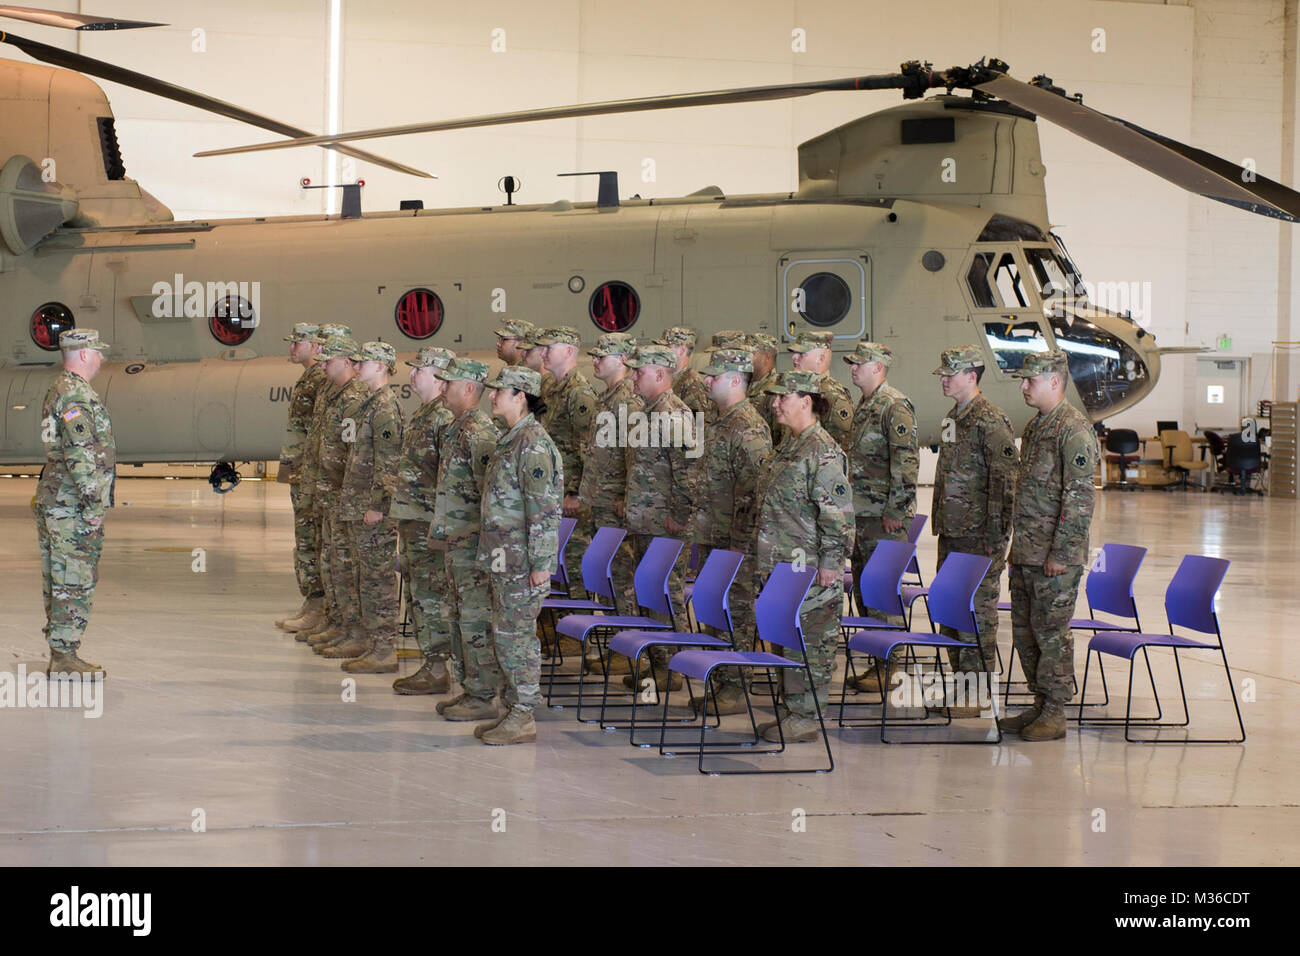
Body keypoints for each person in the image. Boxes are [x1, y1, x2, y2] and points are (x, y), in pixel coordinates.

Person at [752, 370, 855, 742]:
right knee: (787, 638)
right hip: (783, 566)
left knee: (811, 642)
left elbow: (839, 516)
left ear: (806, 402)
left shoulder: (822, 451)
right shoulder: (789, 446)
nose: (775, 404)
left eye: (783, 398)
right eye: (775, 397)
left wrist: (831, 563)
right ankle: (791, 709)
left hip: (810, 568)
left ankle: (807, 716)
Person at [1001, 350, 1098, 741]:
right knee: (1025, 631)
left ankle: (1056, 711)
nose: (1024, 387)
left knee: (1051, 632)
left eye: (1030, 380)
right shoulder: (1039, 425)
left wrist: (1061, 552)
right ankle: (1039, 703)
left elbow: (1078, 498)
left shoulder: (1073, 430)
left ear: (1054, 382)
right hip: (1027, 552)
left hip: (1054, 558)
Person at [475, 366, 563, 745]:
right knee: (504, 632)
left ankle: (524, 713)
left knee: (518, 637)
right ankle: (512, 709)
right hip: (502, 557)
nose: (491, 396)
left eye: (499, 391)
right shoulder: (511, 439)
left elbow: (543, 509)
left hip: (522, 562)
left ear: (520, 397)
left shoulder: (534, 445)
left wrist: (542, 565)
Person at [930, 345, 1018, 715]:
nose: (945, 380)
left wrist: (995, 538)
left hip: (980, 537)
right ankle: (962, 686)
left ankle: (979, 691)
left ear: (972, 376)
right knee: (950, 611)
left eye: (951, 374)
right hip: (952, 533)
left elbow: (1006, 481)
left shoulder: (990, 420)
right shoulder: (954, 416)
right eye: (943, 374)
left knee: (976, 613)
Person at [692, 347, 772, 714]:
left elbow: (756, 494)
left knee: (736, 612)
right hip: (715, 537)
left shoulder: (748, 427)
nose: (706, 380)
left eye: (714, 376)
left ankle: (736, 688)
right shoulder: (719, 422)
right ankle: (721, 680)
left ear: (736, 380)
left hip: (737, 544)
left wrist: (742, 545)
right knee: (715, 609)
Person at [618, 344, 699, 691]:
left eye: (640, 371)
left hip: (666, 524)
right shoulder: (646, 411)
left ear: (661, 374)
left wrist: (679, 514)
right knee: (649, 592)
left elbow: (688, 471)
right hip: (644, 522)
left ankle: (673, 668)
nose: (634, 376)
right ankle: (658, 664)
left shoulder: (674, 414)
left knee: (666, 592)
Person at [36, 328, 115, 678]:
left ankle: (61, 650)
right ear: (83, 354)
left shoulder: (61, 389)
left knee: (60, 575)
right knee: (74, 576)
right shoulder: (75, 395)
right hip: (71, 503)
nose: (101, 357)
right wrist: (93, 505)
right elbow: (81, 455)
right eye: (97, 352)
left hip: (57, 498)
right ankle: (64, 656)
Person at [430, 359, 503, 721]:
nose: (442, 389)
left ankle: (485, 694)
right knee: (459, 614)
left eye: (449, 383)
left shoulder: (480, 433)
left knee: (475, 617)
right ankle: (469, 688)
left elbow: (488, 496)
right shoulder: (457, 428)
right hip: (456, 544)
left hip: (474, 547)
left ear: (470, 389)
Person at [843, 341, 918, 692]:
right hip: (862, 518)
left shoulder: (894, 406)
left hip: (883, 522)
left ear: (878, 367)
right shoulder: (866, 405)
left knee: (882, 594)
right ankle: (878, 661)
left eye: (859, 364)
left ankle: (891, 666)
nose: (853, 368)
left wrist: (895, 511)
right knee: (865, 592)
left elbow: (905, 465)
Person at [389, 346, 457, 694]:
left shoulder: (443, 419)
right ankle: (431, 664)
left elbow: (449, 477)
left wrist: (440, 525)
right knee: (419, 595)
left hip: (429, 523)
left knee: (431, 596)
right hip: (413, 520)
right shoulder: (423, 415)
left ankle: (437, 668)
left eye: (420, 370)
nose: (412, 375)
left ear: (441, 380)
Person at [579, 332, 642, 673]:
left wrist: (625, 497)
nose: (596, 361)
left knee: (621, 577)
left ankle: (628, 650)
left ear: (622, 360)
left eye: (603, 356)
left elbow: (635, 457)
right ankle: (620, 645)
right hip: (600, 504)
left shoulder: (628, 402)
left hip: (615, 508)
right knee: (608, 575)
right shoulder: (608, 399)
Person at [309, 333, 371, 659]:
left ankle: (355, 631)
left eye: (328, 359)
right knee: (333, 563)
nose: (322, 363)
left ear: (347, 362)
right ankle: (340, 624)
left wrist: (353, 497)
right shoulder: (335, 395)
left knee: (348, 566)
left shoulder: (353, 399)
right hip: (331, 495)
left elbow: (355, 455)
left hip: (345, 497)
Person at [293, 323, 353, 646]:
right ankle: (327, 614)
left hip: (336, 490)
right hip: (319, 482)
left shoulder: (347, 393)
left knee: (339, 559)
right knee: (323, 552)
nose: (323, 356)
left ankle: (339, 620)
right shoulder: (326, 386)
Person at [535, 327, 596, 591]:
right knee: (552, 566)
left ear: (569, 351)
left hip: (569, 496)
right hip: (550, 490)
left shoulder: (579, 392)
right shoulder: (550, 387)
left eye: (550, 348)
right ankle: (554, 627)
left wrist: (575, 492)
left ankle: (576, 628)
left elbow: (588, 446)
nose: (543, 353)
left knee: (572, 565)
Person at [276, 322, 327, 632]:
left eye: (299, 343)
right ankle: (313, 601)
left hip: (310, 474)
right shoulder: (310, 378)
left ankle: (320, 605)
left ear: (316, 346)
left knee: (312, 539)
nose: (292, 348)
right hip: (301, 473)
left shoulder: (320, 379)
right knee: (306, 539)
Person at [786, 330, 855, 448]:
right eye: (794, 352)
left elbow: (841, 450)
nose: (794, 357)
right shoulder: (798, 390)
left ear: (821, 359)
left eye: (801, 353)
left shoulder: (833, 397)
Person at [656, 326, 715, 426]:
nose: (661, 352)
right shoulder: (673, 378)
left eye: (667, 347)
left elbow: (699, 425)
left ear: (682, 350)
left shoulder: (692, 383)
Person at [745, 332, 780, 434]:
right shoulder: (743, 383)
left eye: (751, 353)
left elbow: (778, 434)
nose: (746, 358)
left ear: (767, 357)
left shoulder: (774, 389)